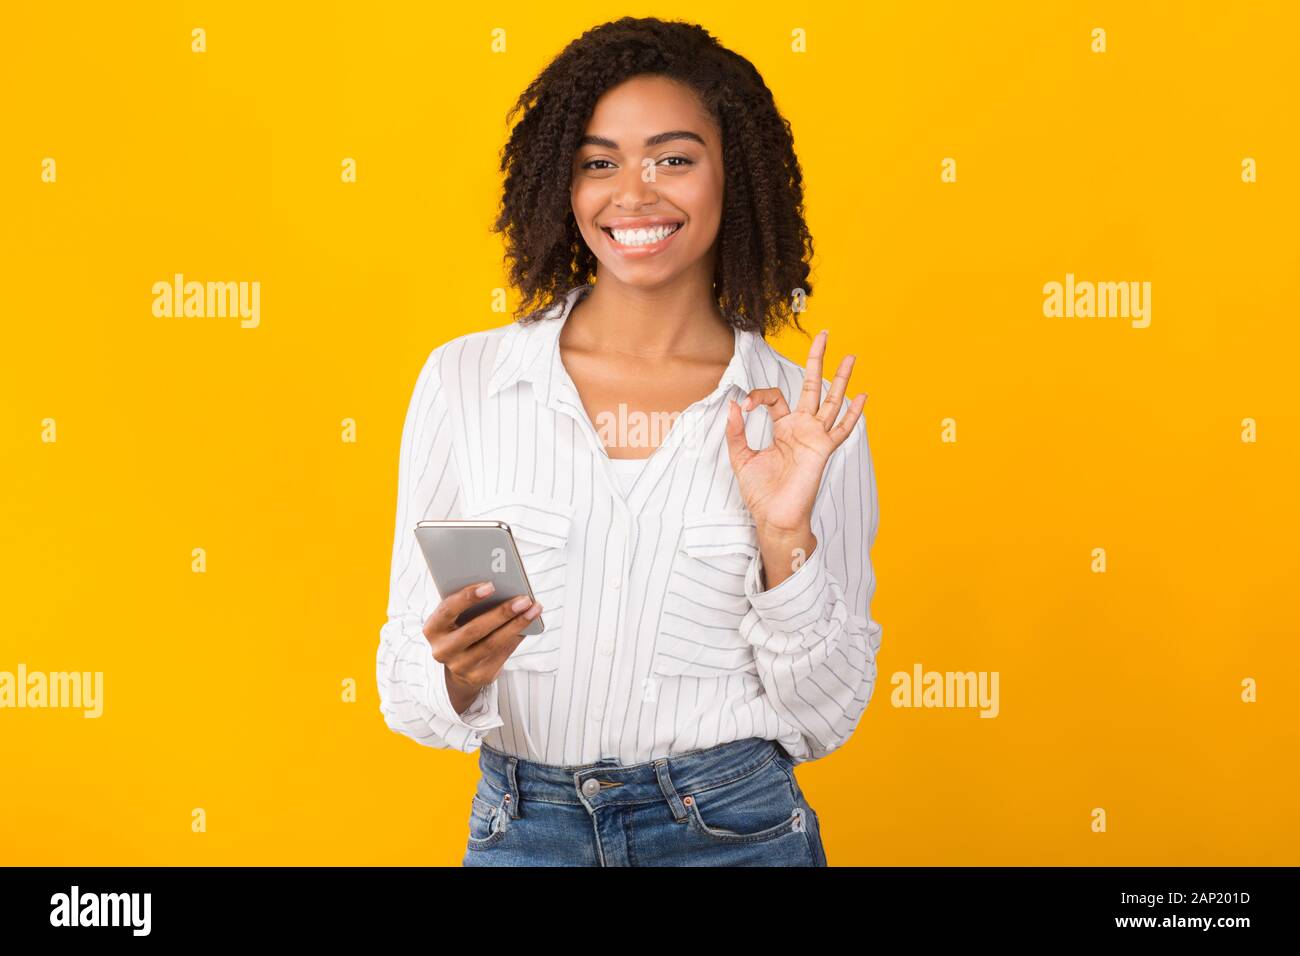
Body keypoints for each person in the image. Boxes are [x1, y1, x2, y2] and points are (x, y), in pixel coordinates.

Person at [376, 16, 882, 867]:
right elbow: (406, 680)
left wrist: (782, 536)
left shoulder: (801, 415)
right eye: (598, 162)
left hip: (734, 834)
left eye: (674, 159)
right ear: (560, 186)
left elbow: (828, 716)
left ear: (735, 177)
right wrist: (459, 675)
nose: (634, 194)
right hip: (523, 830)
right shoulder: (465, 382)